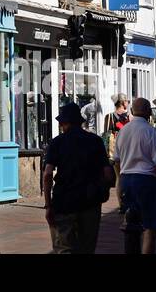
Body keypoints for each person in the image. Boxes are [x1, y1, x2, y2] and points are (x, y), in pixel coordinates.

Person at [44, 102, 114, 253]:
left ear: (63, 123)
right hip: (90, 201)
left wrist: (48, 205)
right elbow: (108, 173)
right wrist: (103, 192)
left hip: (64, 200)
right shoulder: (95, 141)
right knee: (87, 247)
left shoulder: (57, 142)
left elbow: (48, 173)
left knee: (64, 246)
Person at [114, 97, 156, 254]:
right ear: (149, 113)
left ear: (132, 111)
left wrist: (120, 180)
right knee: (150, 227)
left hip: (127, 180)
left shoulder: (123, 131)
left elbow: (116, 161)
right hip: (147, 181)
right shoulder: (151, 132)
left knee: (131, 224)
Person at [102, 95, 131, 212]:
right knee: (129, 175)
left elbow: (105, 134)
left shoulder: (109, 117)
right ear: (123, 102)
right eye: (127, 101)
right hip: (128, 149)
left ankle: (121, 204)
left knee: (119, 177)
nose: (128, 103)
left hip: (115, 150)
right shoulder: (130, 117)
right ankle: (129, 202)